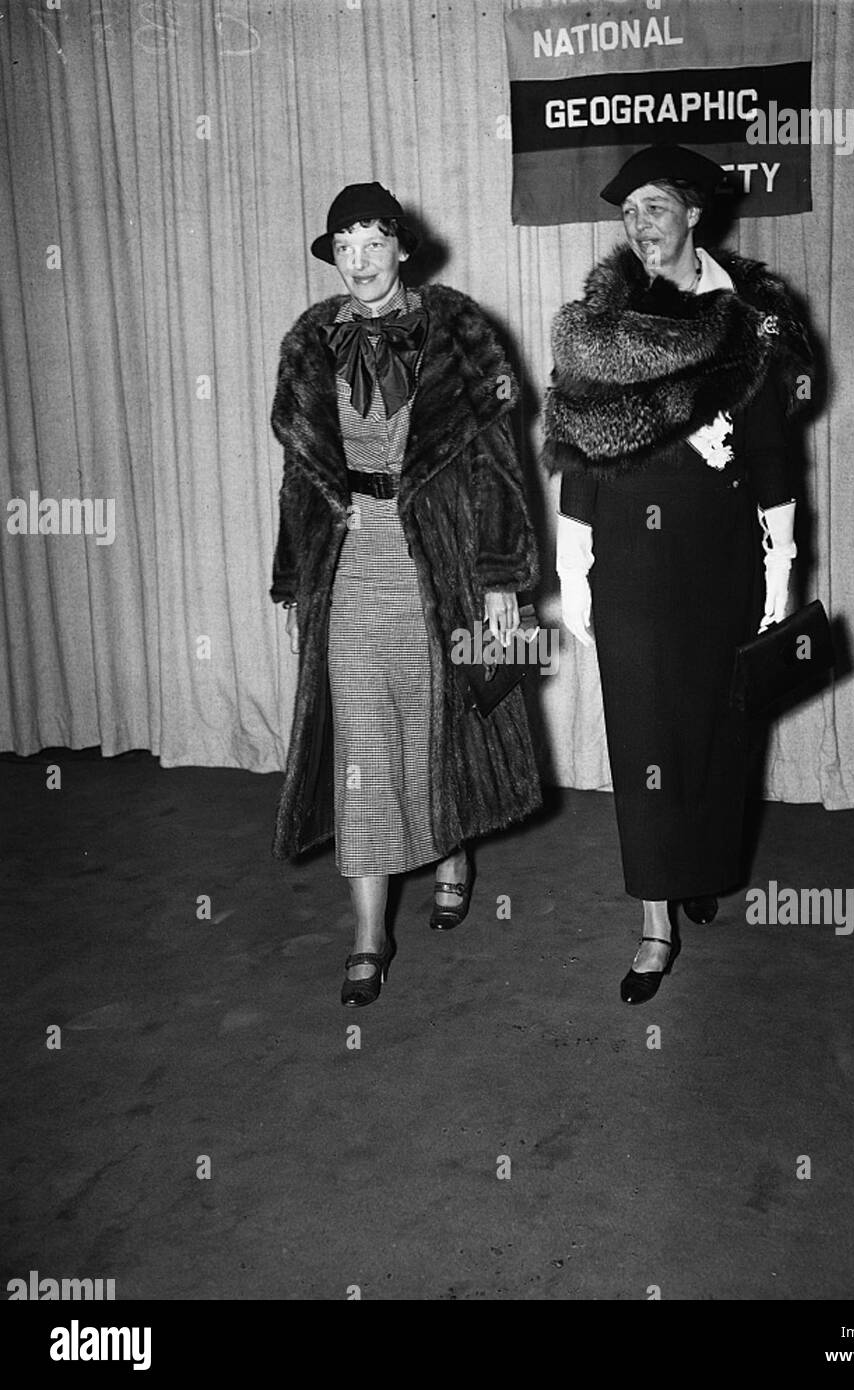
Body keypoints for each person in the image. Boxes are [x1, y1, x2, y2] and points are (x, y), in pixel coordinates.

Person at [543, 145, 815, 1004]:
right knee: (646, 734)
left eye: (655, 207)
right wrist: (573, 560)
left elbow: (774, 449)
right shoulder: (604, 321)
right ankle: (654, 923)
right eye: (629, 213)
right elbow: (581, 448)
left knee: (715, 731)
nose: (640, 225)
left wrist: (782, 564)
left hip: (723, 556)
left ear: (694, 214)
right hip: (630, 555)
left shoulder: (751, 318)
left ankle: (698, 864)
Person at [269, 182, 541, 1006]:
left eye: (372, 242)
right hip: (352, 562)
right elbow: (297, 476)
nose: (358, 261)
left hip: (443, 558)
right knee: (361, 739)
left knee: (440, 722)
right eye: (342, 246)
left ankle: (452, 849)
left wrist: (502, 581)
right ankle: (367, 934)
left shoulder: (459, 331)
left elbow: (498, 462)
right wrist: (293, 579)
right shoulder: (312, 340)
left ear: (401, 248)